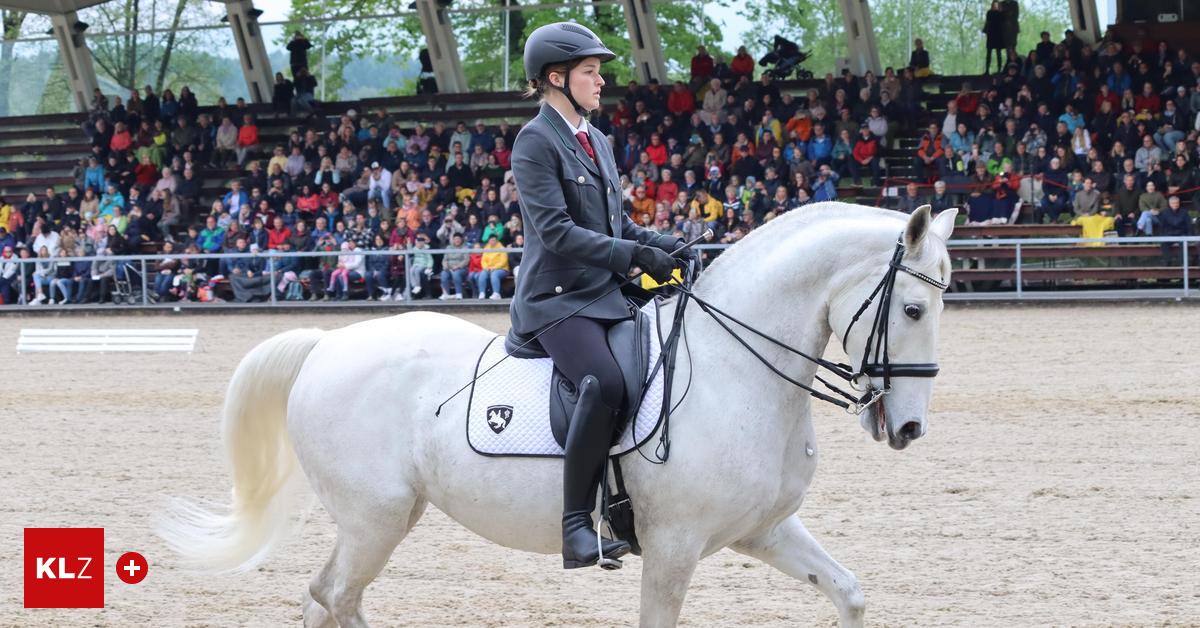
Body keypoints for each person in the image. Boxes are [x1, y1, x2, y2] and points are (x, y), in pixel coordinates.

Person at [514, 21, 694, 570]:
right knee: (605, 380)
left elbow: (617, 225)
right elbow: (558, 232)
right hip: (556, 299)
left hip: (606, 294)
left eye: (598, 72)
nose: (600, 82)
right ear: (555, 78)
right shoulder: (535, 141)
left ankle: (624, 501)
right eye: (590, 72)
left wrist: (665, 244)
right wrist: (637, 258)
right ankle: (575, 525)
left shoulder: (598, 141)